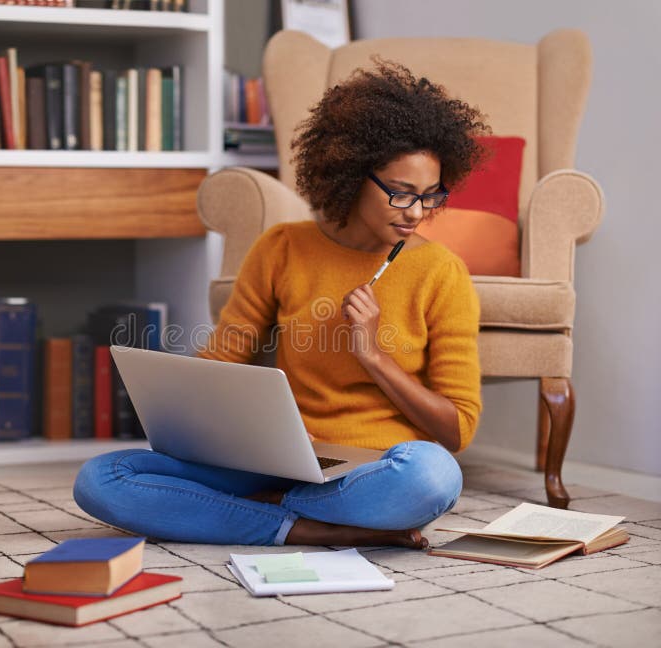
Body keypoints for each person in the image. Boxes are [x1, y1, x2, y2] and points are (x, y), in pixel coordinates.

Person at [74, 59, 488, 550]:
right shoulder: (284, 248)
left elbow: (457, 427)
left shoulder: (441, 272)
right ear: (353, 174)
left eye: (430, 196)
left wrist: (374, 357)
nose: (417, 213)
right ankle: (305, 527)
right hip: (275, 460)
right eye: (400, 195)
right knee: (103, 477)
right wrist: (188, 408)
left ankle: (266, 514)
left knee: (433, 478)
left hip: (370, 473)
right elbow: (222, 363)